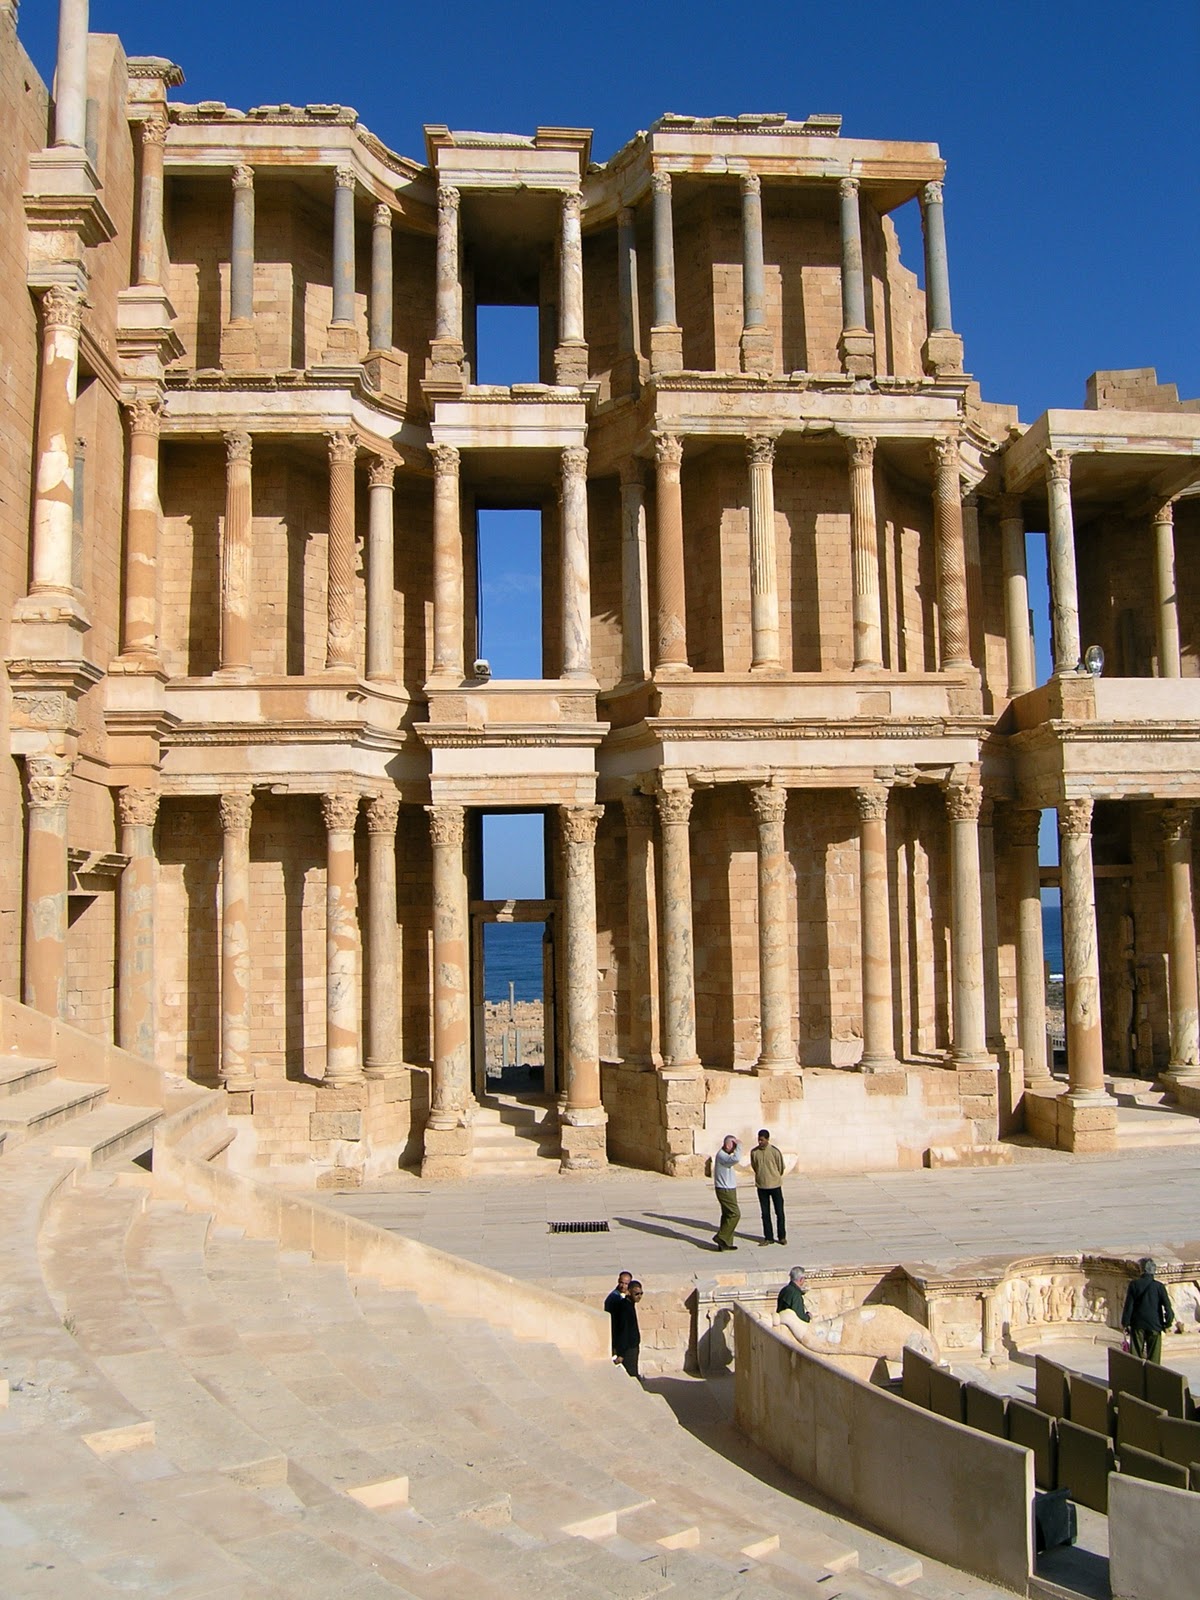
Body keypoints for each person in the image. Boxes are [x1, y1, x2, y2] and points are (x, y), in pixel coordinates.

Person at [1121, 1257, 1174, 1363]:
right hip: (1155, 1325)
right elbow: (1168, 1309)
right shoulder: (1159, 1287)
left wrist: (1125, 1323)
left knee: (1135, 1356)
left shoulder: (1134, 1285)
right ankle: (1153, 1378)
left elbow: (1129, 1306)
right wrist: (1166, 1324)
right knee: (1154, 1358)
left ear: (1141, 1269)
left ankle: (1136, 1376)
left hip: (1138, 1324)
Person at [750, 1128, 787, 1245]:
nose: (760, 1142)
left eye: (762, 1140)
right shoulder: (754, 1152)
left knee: (779, 1212)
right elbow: (754, 1166)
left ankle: (781, 1236)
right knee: (765, 1213)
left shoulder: (775, 1152)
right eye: (758, 1140)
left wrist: (774, 1177)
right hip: (762, 1186)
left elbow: (781, 1167)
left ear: (767, 1139)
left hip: (775, 1185)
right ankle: (768, 1237)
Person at [712, 1134, 742, 1250]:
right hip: (725, 1189)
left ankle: (726, 1243)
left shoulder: (725, 1155)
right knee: (735, 1214)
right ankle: (721, 1237)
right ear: (727, 1145)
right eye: (733, 1145)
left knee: (727, 1215)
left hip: (729, 1188)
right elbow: (737, 1159)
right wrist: (740, 1146)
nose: (734, 1148)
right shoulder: (722, 1156)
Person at [611, 1279, 642, 1378]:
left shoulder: (629, 1304)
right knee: (631, 1376)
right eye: (636, 1294)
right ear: (629, 1292)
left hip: (632, 1348)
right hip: (628, 1350)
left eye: (641, 1293)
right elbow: (623, 1331)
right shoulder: (624, 1308)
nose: (639, 1296)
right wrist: (621, 1354)